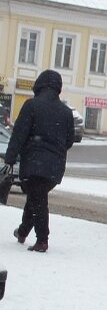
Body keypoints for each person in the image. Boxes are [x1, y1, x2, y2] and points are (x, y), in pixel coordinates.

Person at [4, 70, 74, 253]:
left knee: (38, 200)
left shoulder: (32, 105)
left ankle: (42, 240)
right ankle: (22, 232)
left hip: (34, 163)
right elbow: (69, 140)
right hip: (55, 167)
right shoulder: (66, 112)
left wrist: (10, 158)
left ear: (39, 85)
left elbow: (19, 135)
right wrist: (55, 153)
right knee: (36, 198)